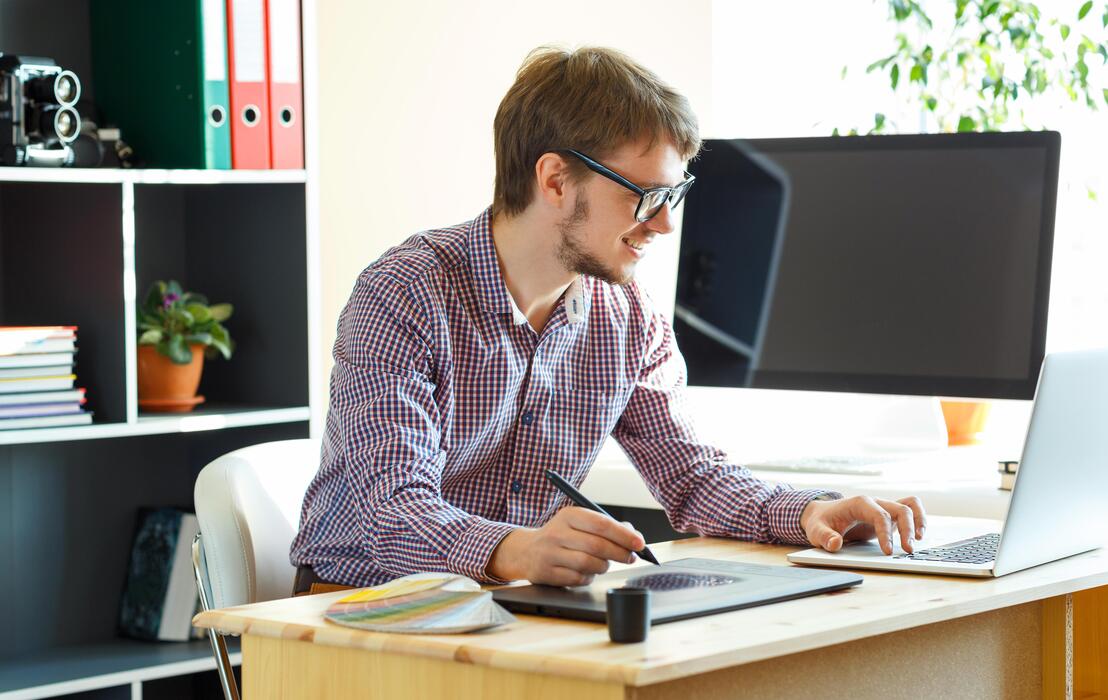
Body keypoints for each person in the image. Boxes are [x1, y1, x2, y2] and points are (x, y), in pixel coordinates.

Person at [289, 46, 926, 593]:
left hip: (508, 608)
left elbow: (693, 479)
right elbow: (393, 513)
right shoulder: (405, 292)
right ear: (555, 180)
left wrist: (811, 512)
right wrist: (521, 550)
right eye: (646, 195)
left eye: (674, 195)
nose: (666, 223)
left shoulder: (627, 314)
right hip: (356, 611)